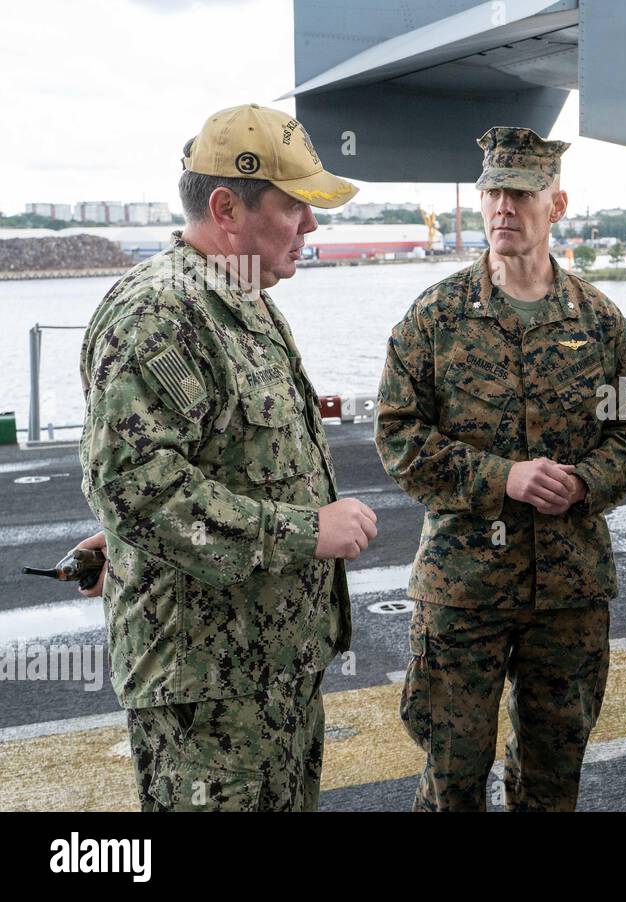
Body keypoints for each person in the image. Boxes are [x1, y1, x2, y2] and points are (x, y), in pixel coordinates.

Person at [78, 103, 377, 811]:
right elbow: (136, 488)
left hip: (265, 675)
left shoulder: (241, 296)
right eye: (295, 206)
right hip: (210, 700)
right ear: (226, 207)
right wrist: (309, 531)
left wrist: (131, 534)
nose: (311, 225)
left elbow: (190, 464)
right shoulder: (166, 311)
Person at [375, 126, 626, 811]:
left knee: (554, 777)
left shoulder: (603, 324)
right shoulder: (435, 318)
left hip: (569, 591)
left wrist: (586, 482)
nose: (503, 207)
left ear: (554, 206)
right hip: (463, 588)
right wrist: (503, 477)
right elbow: (399, 436)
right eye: (493, 191)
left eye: (520, 193)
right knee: (453, 776)